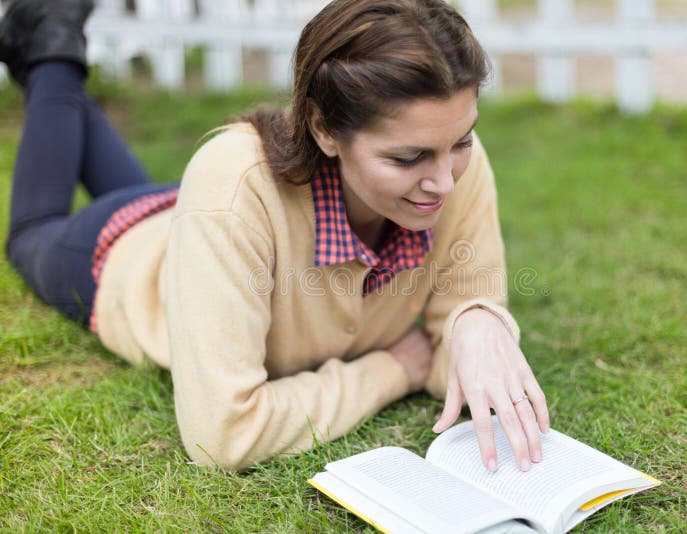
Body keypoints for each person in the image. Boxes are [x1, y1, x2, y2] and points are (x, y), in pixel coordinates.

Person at [1, 0, 550, 473]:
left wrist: (477, 317)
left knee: (204, 205)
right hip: (118, 253)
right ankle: (53, 50)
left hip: (201, 219)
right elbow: (222, 435)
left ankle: (49, 39)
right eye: (407, 157)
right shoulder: (232, 192)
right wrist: (394, 367)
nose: (443, 180)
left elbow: (458, 354)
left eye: (462, 140)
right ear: (323, 129)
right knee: (30, 234)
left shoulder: (456, 168)